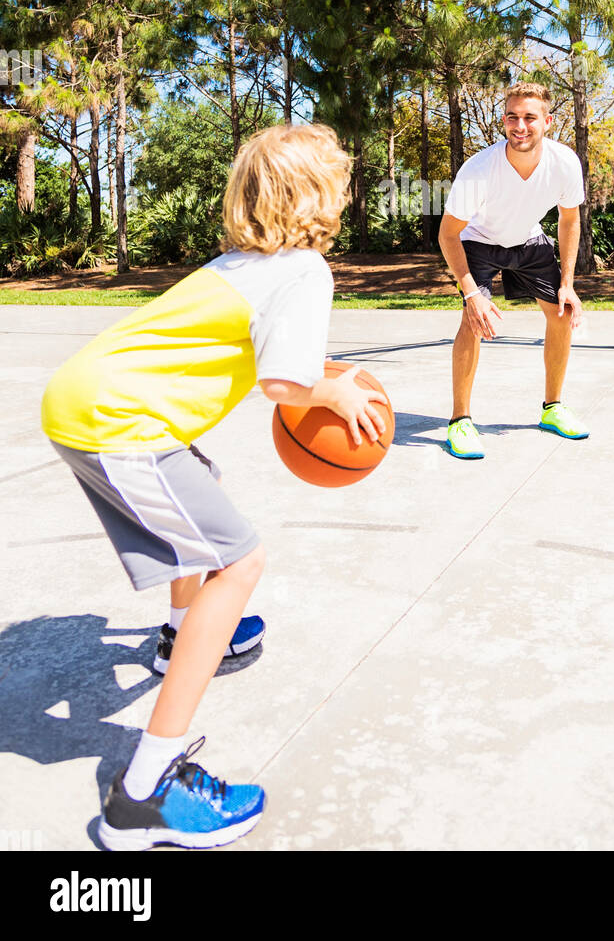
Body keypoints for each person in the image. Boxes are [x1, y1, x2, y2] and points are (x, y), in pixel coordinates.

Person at [40, 123, 386, 850]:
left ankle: (178, 640)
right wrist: (338, 398)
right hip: (119, 421)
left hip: (90, 402)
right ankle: (145, 794)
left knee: (205, 486)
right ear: (318, 195)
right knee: (240, 560)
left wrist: (323, 378)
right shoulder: (303, 270)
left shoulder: (236, 263)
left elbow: (279, 356)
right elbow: (284, 382)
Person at [438, 82, 589, 460]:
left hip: (527, 241)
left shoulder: (564, 162)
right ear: (504, 121)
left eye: (529, 117)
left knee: (563, 311)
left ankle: (553, 408)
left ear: (548, 122)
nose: (519, 126)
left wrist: (568, 284)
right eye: (512, 117)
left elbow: (570, 220)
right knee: (472, 321)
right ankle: (460, 421)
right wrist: (472, 294)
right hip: (478, 242)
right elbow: (448, 234)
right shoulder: (479, 170)